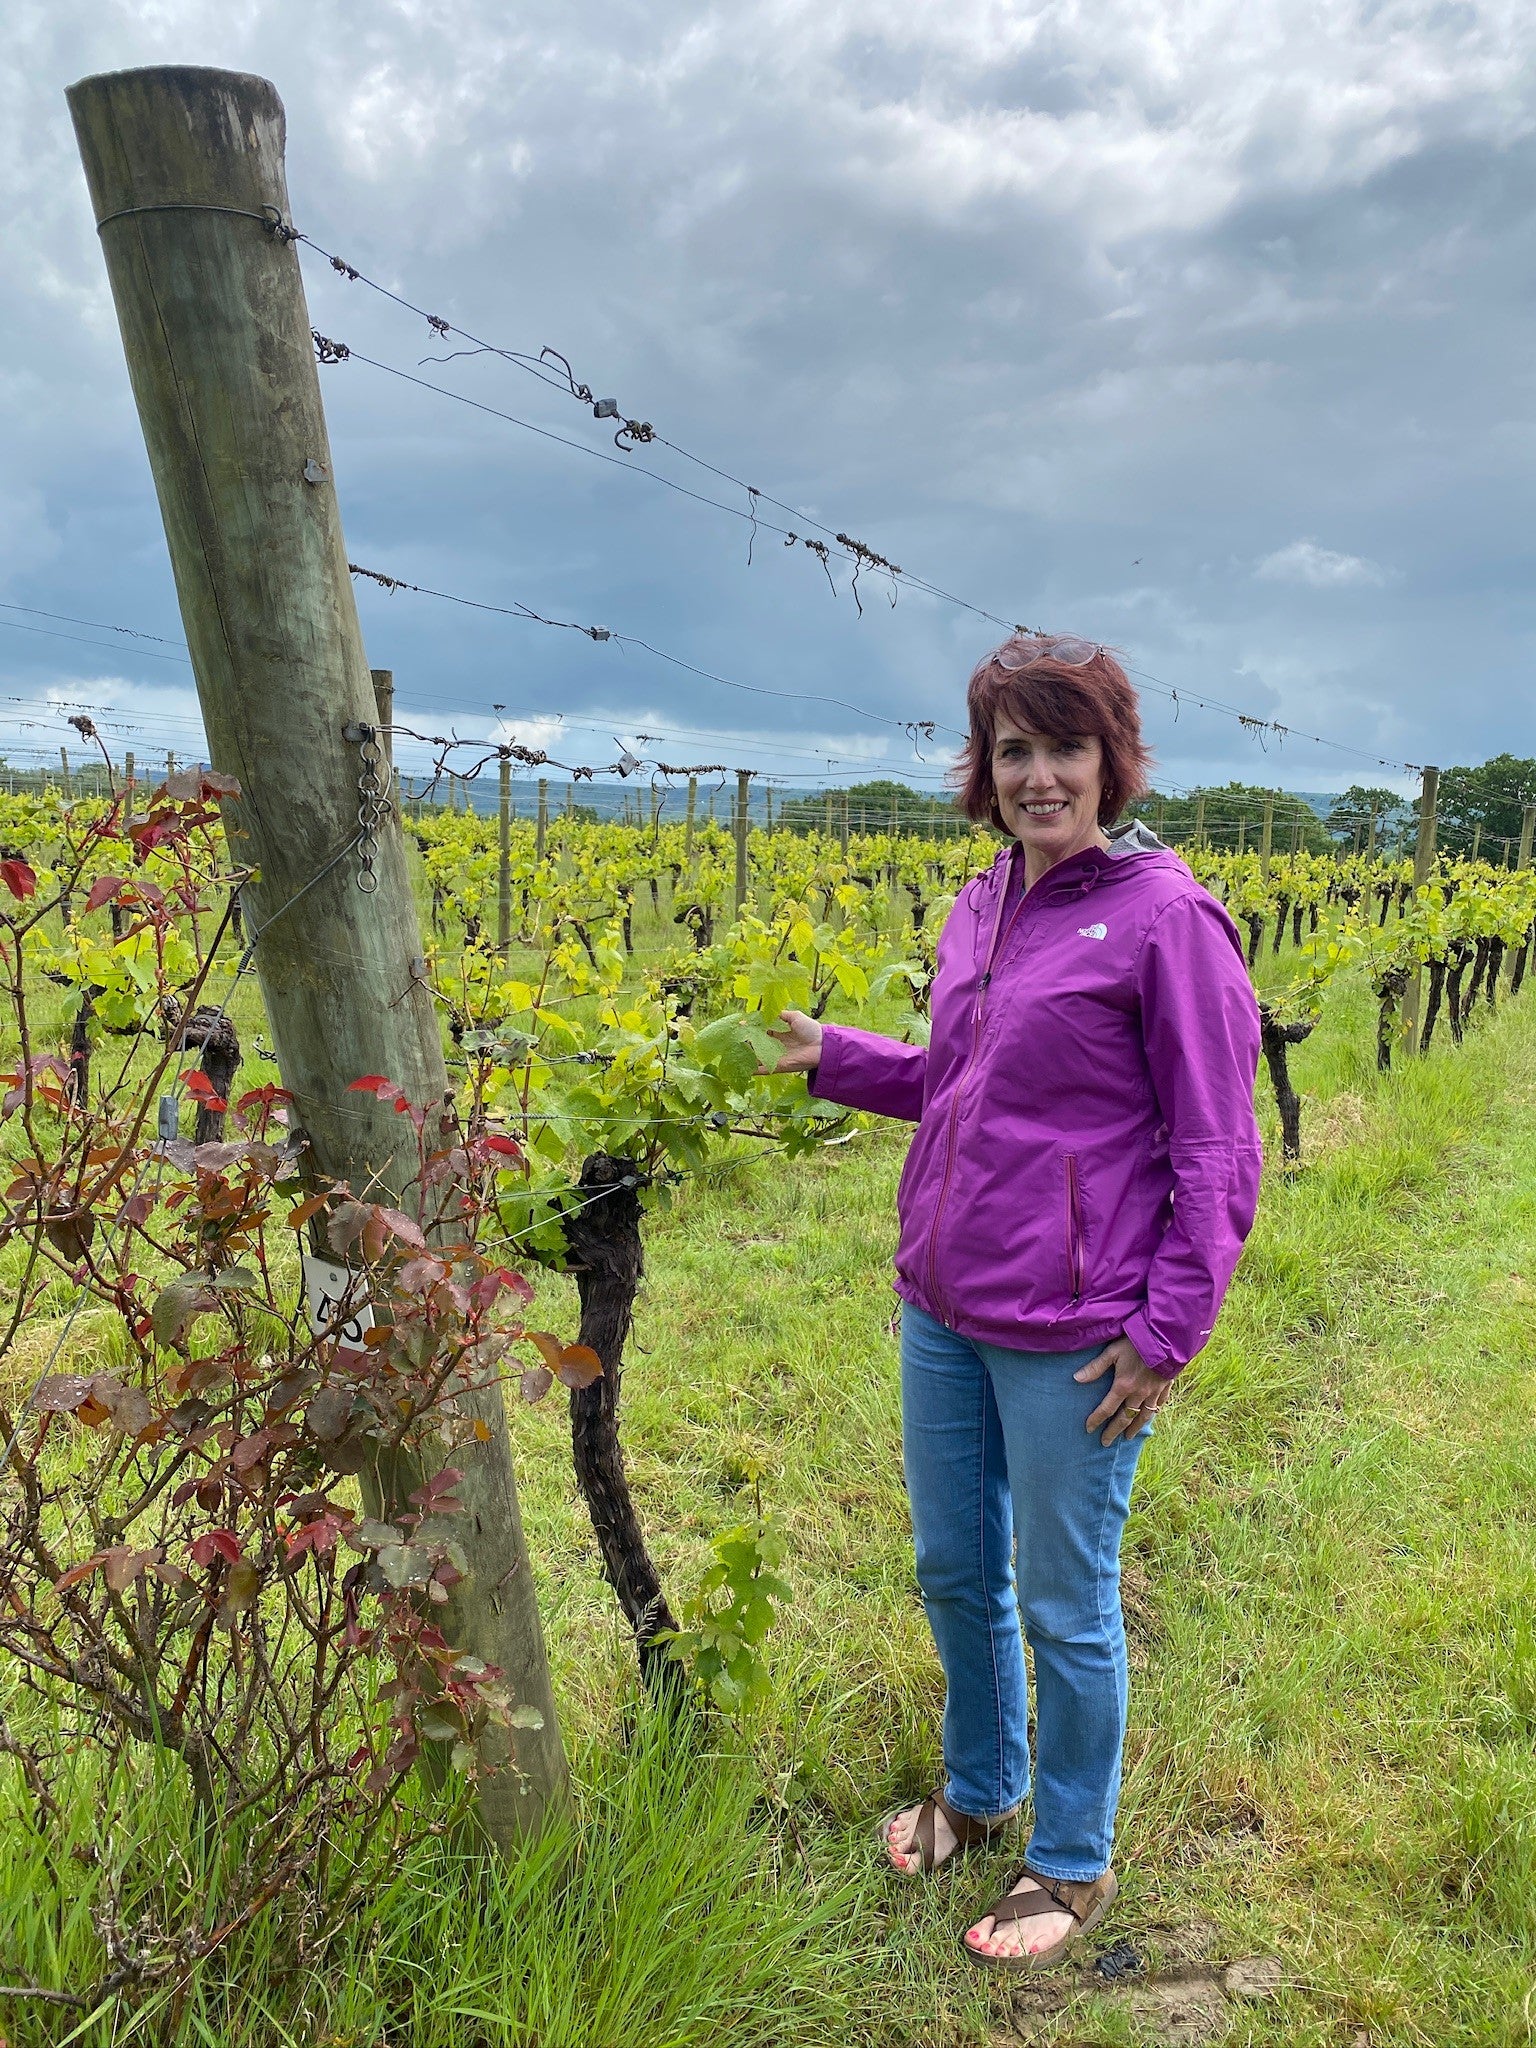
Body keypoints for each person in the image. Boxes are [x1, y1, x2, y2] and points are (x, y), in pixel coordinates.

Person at [770, 634, 1262, 1973]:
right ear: (984, 771)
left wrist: (1164, 1338)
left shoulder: (1169, 919)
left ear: (1114, 761)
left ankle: (1074, 1857)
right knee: (951, 1569)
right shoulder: (985, 903)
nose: (1040, 775)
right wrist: (832, 1058)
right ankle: (981, 1790)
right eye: (1014, 750)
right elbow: (962, 1079)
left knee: (1064, 1599)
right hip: (944, 1307)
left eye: (1066, 748)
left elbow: (1219, 1151)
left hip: (1073, 1339)